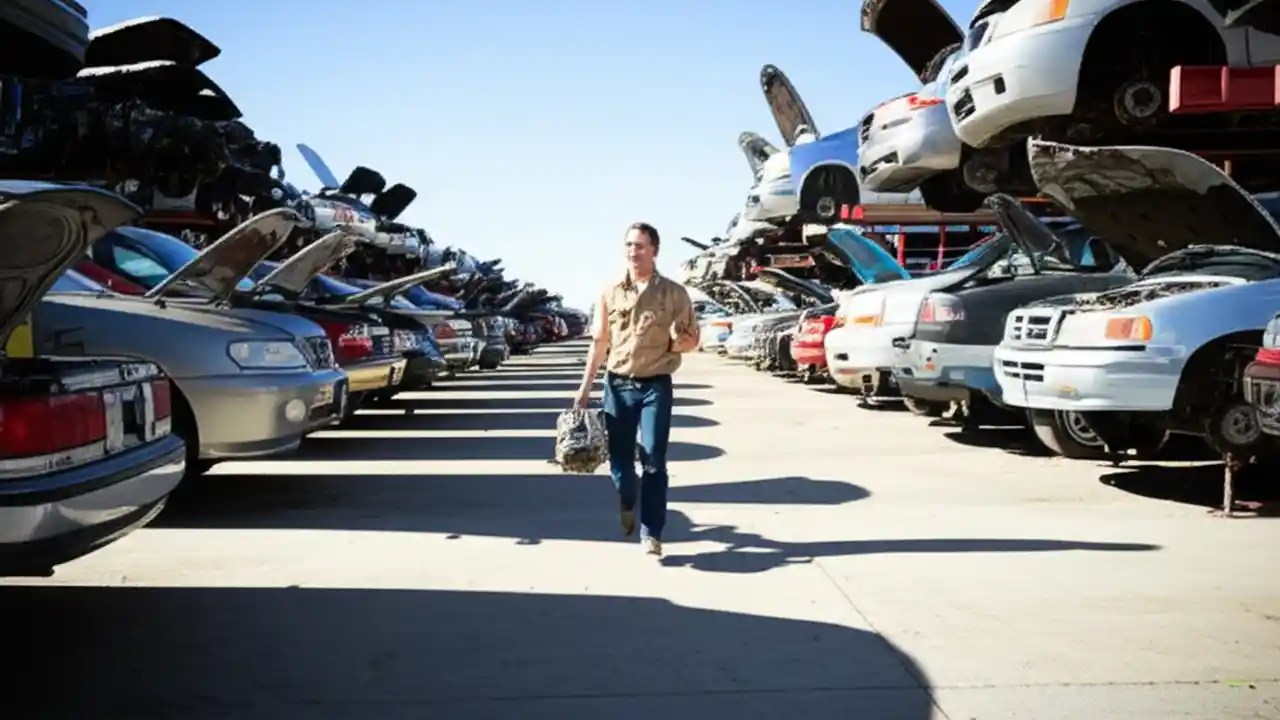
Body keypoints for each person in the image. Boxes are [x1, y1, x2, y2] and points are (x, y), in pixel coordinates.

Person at [573, 221, 700, 557]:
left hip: (656, 385)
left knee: (654, 458)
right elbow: (600, 342)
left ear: (654, 250)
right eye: (629, 245)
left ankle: (651, 531)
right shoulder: (610, 291)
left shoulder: (674, 293)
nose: (633, 251)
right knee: (619, 464)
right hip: (617, 385)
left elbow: (692, 338)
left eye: (640, 245)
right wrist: (584, 388)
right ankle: (628, 499)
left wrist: (674, 344)